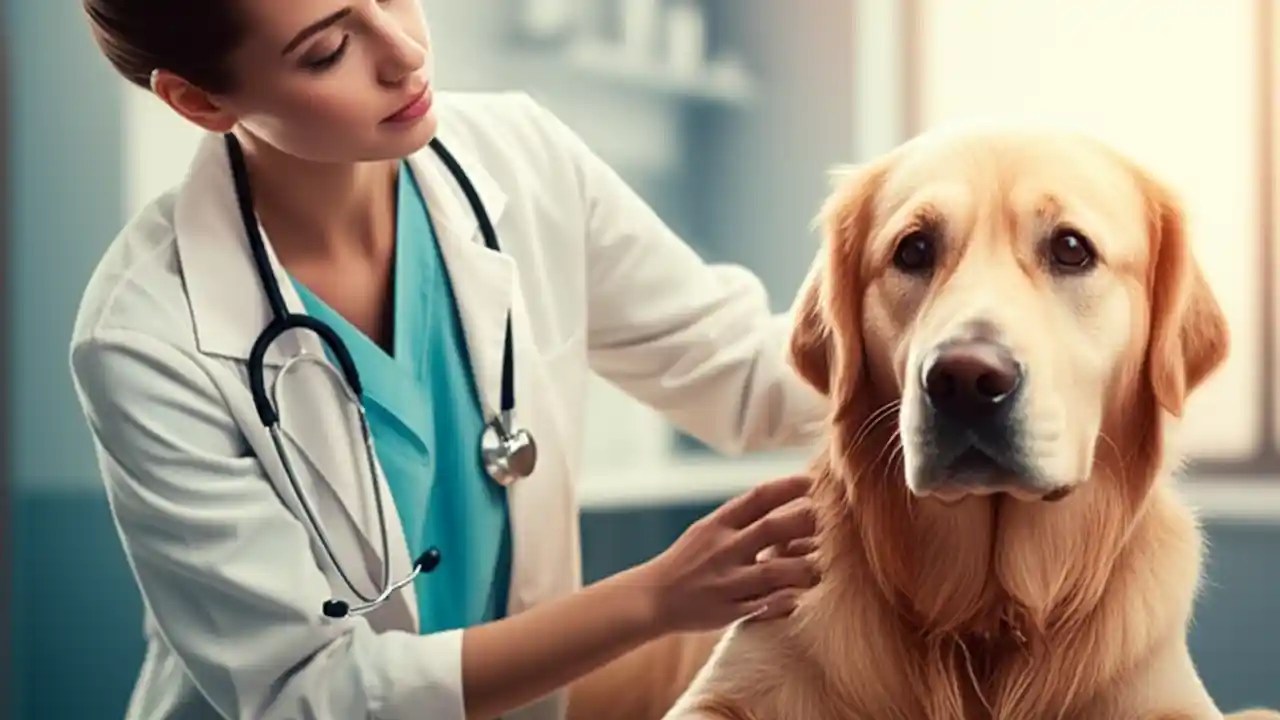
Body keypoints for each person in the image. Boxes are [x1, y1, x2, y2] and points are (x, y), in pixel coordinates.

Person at [69, 1, 829, 719]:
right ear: (201, 103)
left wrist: (929, 327)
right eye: (328, 50)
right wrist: (655, 598)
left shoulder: (522, 158)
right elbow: (313, 696)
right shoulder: (144, 334)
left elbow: (744, 371)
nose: (405, 53)